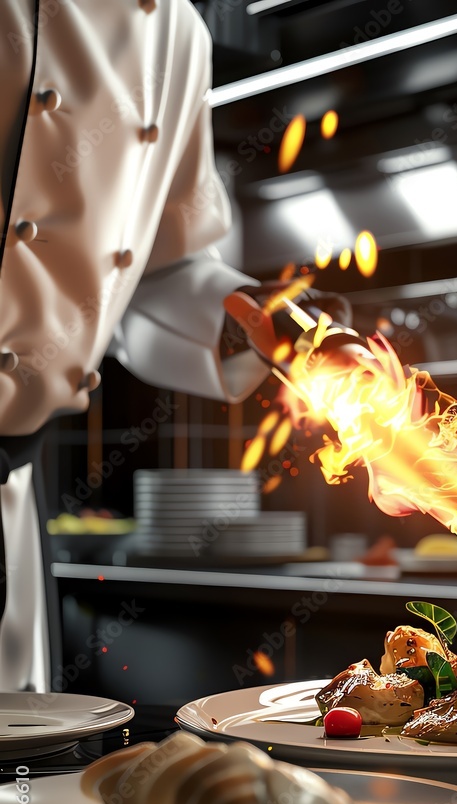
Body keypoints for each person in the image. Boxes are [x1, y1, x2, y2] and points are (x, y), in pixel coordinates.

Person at [0, 0, 346, 692]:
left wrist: (266, 319)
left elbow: (154, 273)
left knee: (19, 790)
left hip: (8, 495)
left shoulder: (178, 32)